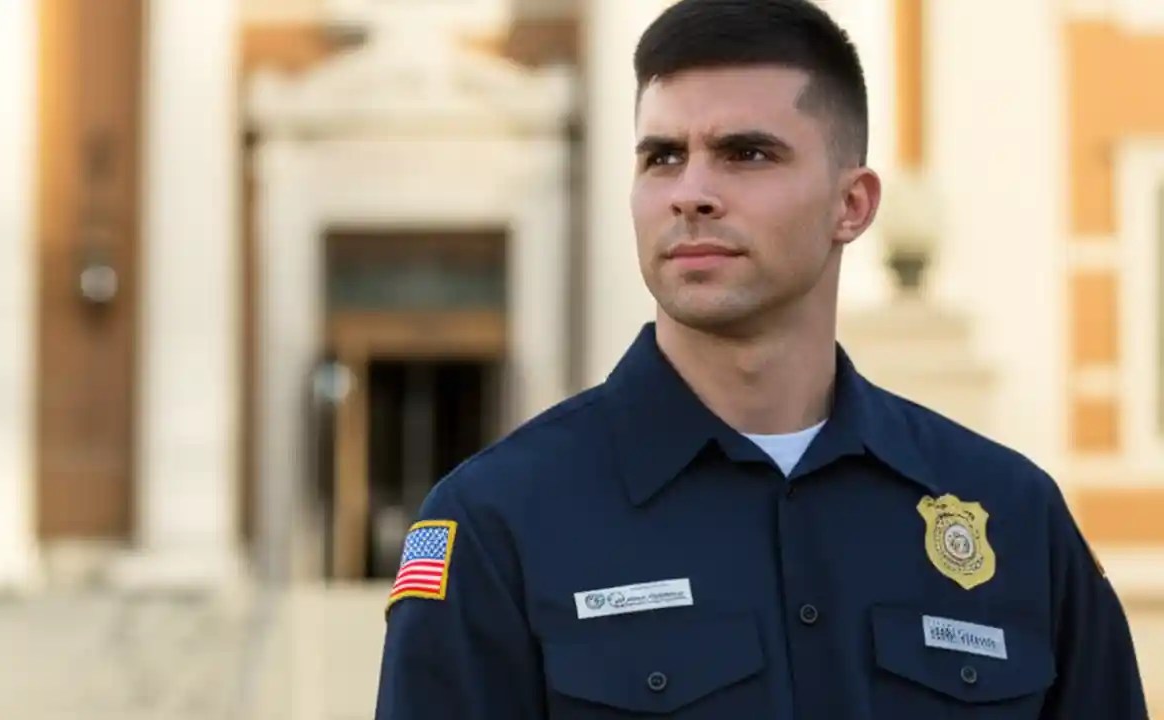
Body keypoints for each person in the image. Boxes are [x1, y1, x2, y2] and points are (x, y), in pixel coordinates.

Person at [373, 0, 1150, 717]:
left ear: (852, 204)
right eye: (663, 156)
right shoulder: (497, 523)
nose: (690, 192)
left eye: (745, 153)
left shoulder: (1013, 517)